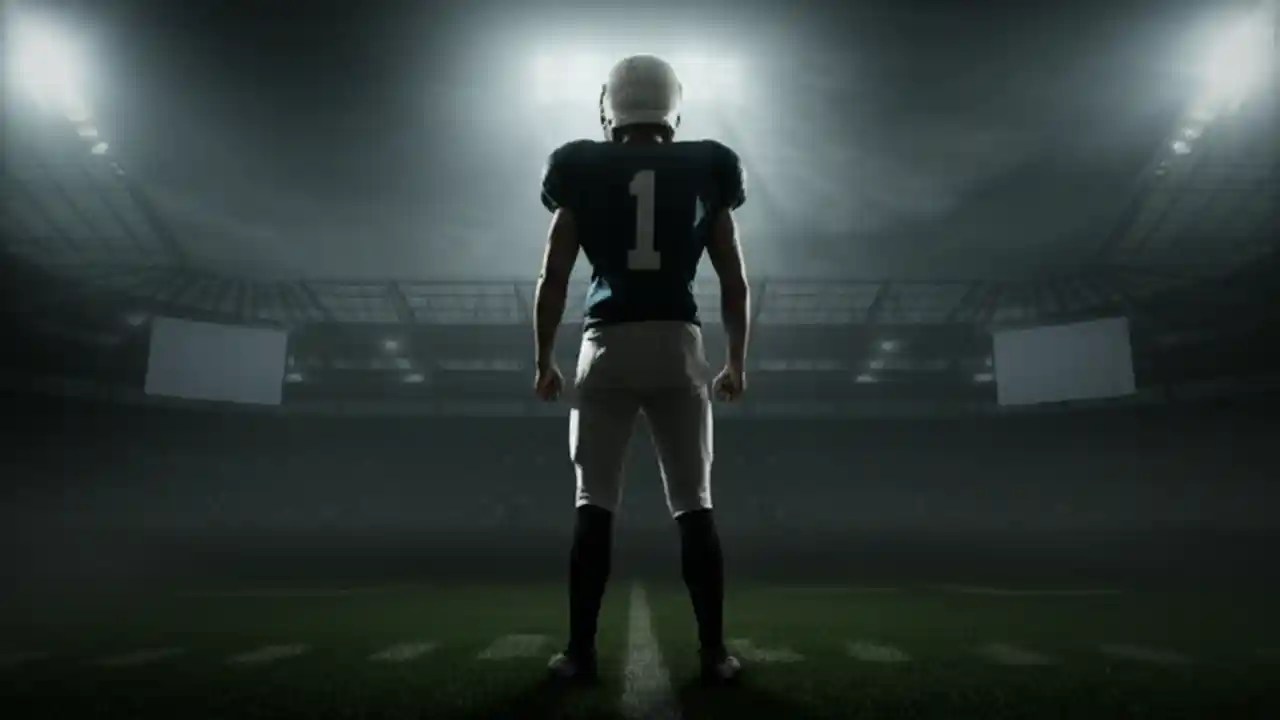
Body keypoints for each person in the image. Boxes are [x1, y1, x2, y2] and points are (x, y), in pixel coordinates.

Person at [530, 54, 750, 685]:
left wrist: (543, 360)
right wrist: (736, 362)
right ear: (672, 109)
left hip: (606, 345)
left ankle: (579, 653)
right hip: (678, 342)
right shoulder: (709, 165)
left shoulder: (579, 165)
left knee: (594, 503)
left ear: (611, 109)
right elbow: (733, 279)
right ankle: (714, 654)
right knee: (695, 502)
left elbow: (553, 276)